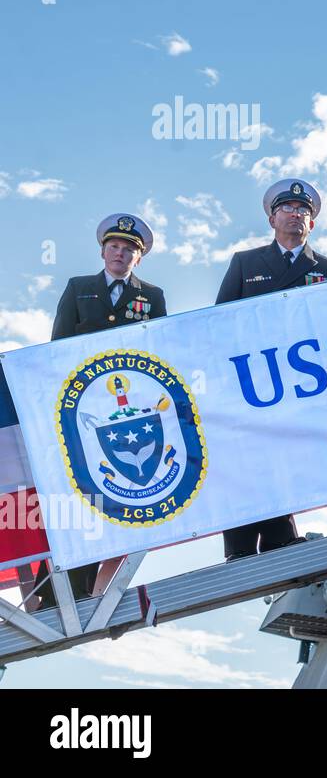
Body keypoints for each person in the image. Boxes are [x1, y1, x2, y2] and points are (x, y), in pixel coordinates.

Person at [216, 179, 327, 560]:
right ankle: (239, 546)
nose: (296, 214)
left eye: (303, 210)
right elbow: (218, 322)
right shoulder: (247, 263)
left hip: (299, 381)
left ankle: (279, 536)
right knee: (246, 457)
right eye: (287, 209)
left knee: (283, 458)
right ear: (272, 219)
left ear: (313, 224)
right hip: (249, 380)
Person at [42, 212, 165, 604]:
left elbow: (161, 352)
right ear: (102, 250)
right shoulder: (79, 288)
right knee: (83, 493)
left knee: (123, 491)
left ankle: (101, 588)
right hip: (84, 412)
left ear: (138, 258)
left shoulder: (153, 297)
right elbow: (58, 344)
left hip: (131, 415)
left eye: (129, 249)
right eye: (114, 246)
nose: (120, 253)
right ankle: (72, 588)